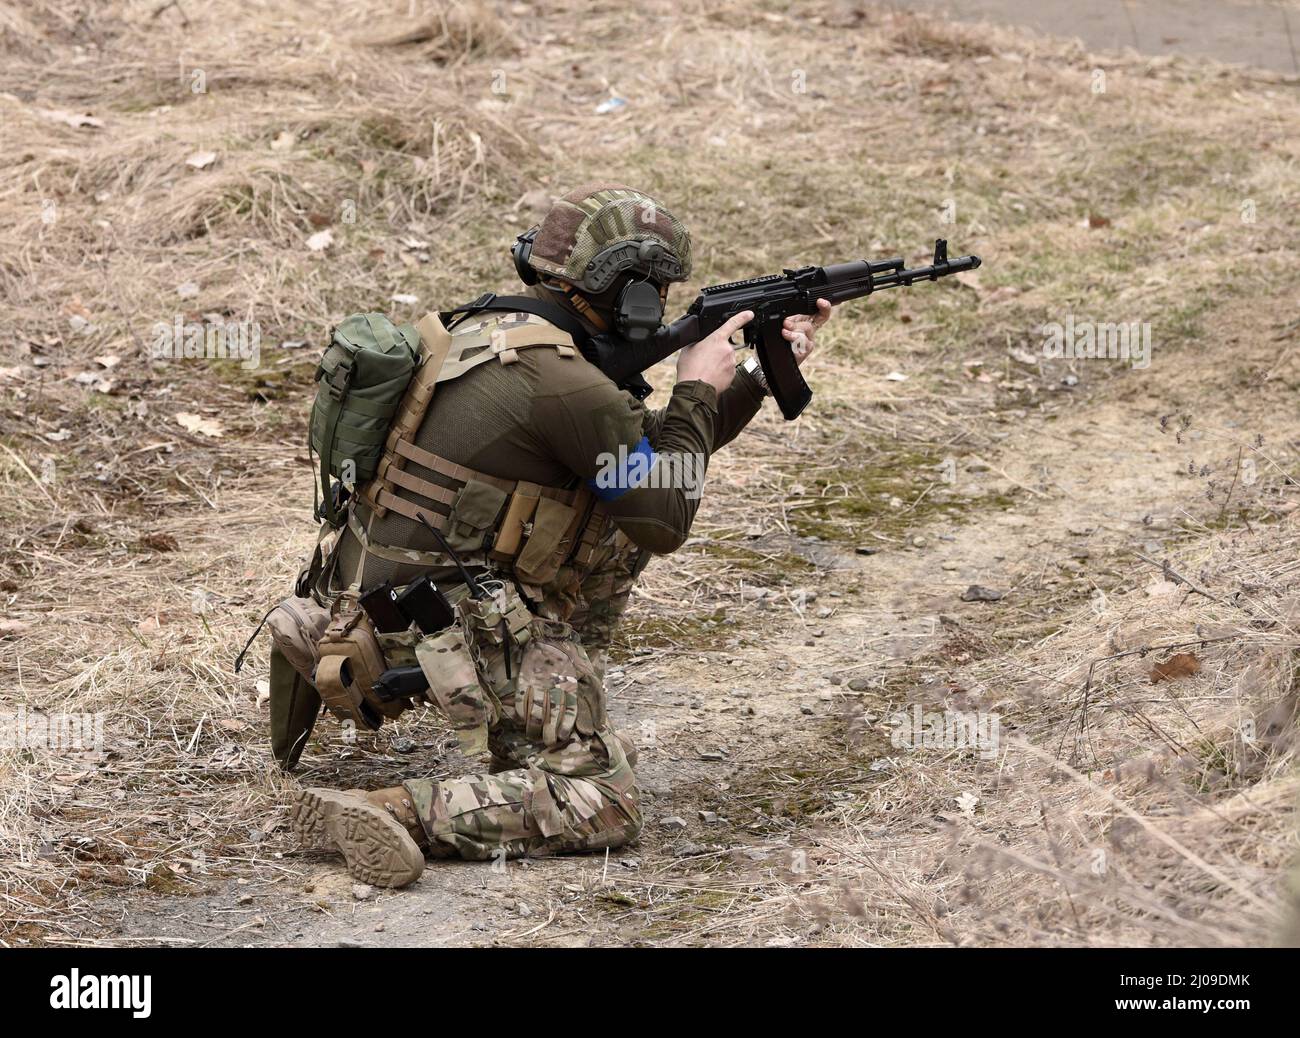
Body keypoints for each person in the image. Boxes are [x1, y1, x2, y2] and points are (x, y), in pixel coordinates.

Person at [291, 183, 833, 887]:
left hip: (387, 598)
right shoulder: (565, 382)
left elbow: (648, 460)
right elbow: (663, 517)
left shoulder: (497, 334)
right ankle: (385, 810)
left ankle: (545, 711)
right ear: (629, 294)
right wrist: (696, 385)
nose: (660, 311)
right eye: (655, 293)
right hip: (442, 622)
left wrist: (754, 375)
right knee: (601, 803)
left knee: (615, 506)